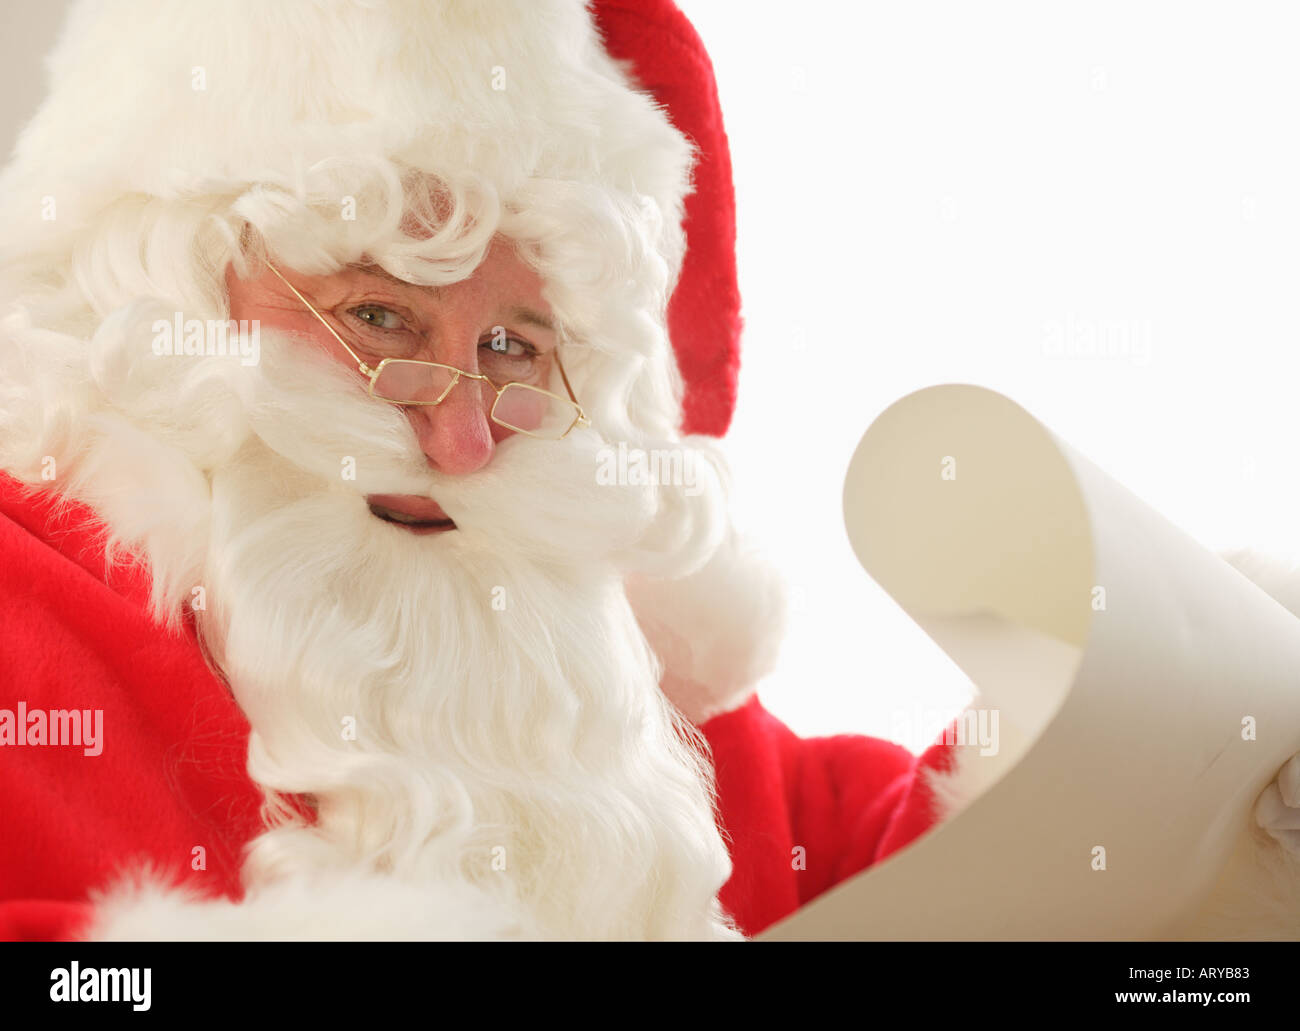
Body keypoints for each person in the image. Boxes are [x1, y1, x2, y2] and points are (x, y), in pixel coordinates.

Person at [0, 0, 1296, 941]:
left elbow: (905, 877)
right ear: (156, 290)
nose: (460, 442)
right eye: (379, 319)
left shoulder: (584, 675)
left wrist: (1197, 765)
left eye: (512, 349)